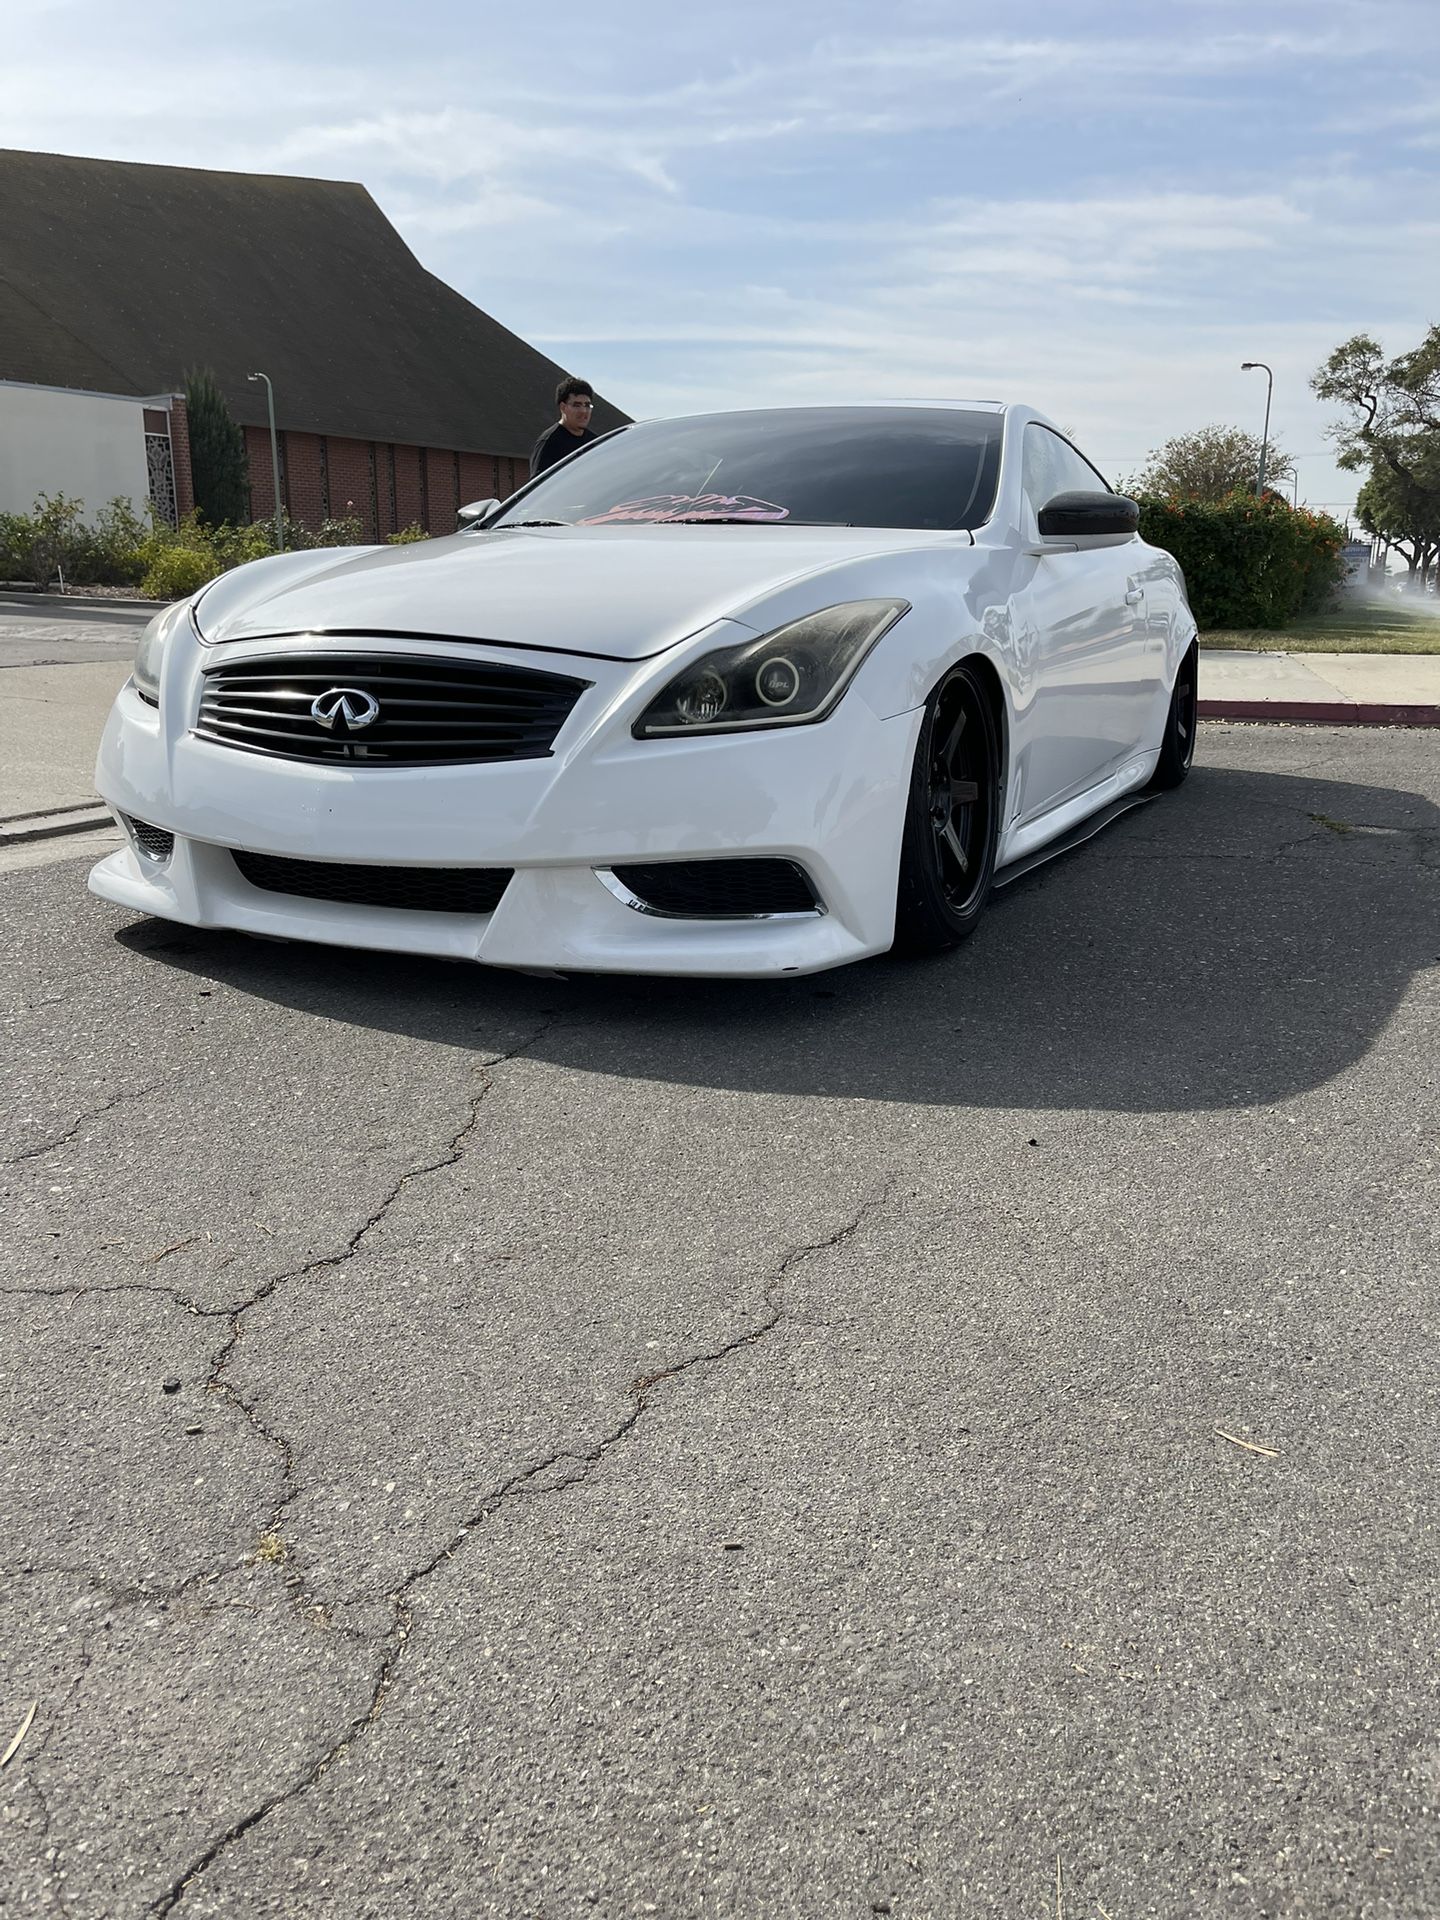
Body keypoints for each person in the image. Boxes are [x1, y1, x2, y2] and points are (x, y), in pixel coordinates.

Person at [530, 378, 598, 477]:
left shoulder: (595, 442)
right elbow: (539, 486)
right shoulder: (549, 443)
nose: (583, 411)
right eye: (577, 405)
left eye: (587, 405)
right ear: (563, 407)